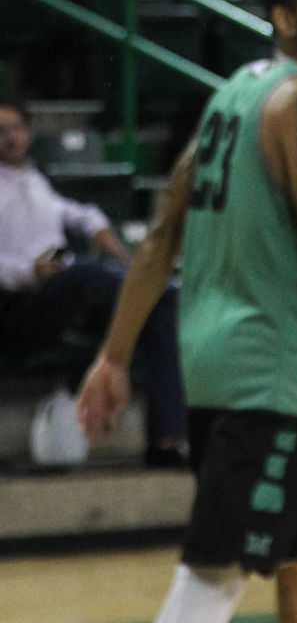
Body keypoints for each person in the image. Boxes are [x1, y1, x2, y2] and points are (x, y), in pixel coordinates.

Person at [76, 0, 297, 623]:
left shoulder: (233, 95)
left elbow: (159, 236)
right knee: (217, 573)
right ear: (284, 18)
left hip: (217, 367)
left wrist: (113, 357)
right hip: (266, 374)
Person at [0, 96, 185, 466]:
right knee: (83, 272)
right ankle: (137, 282)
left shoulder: (35, 180)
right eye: (1, 131)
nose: (11, 138)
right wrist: (27, 271)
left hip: (63, 291)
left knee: (161, 307)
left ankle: (166, 439)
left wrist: (98, 226)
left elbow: (76, 212)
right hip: (21, 305)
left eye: (16, 128)